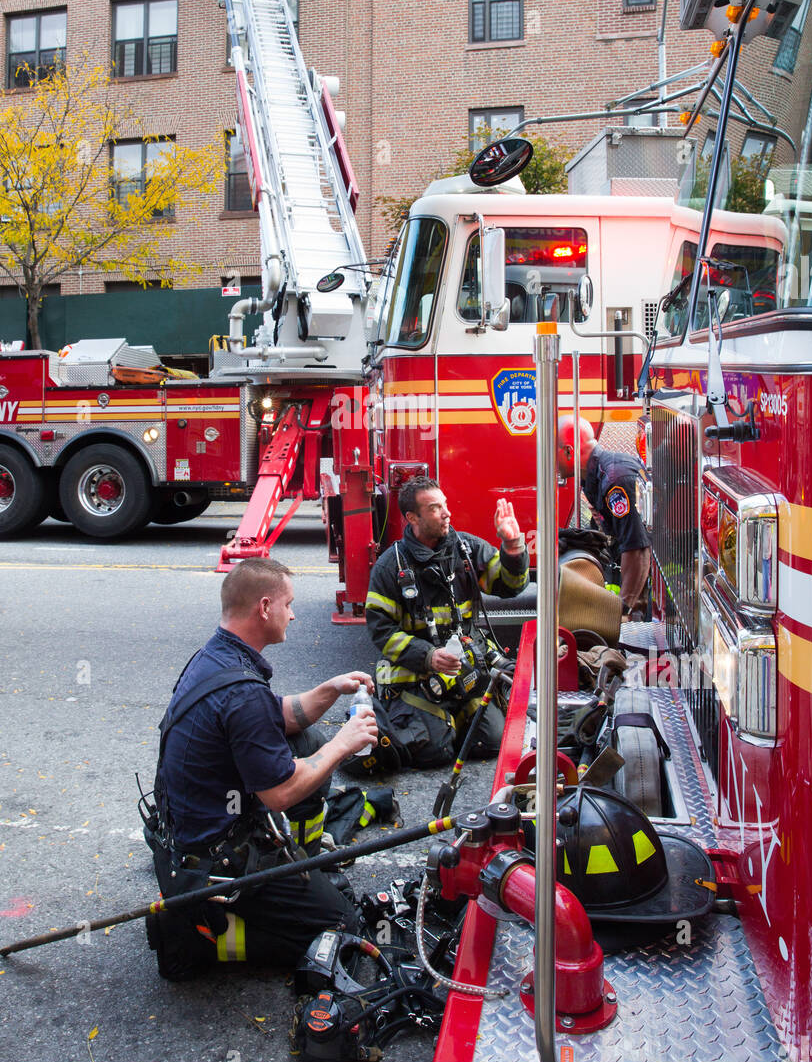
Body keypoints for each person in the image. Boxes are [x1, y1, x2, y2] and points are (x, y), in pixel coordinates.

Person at [144, 557, 378, 980]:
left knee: (307, 742)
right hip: (216, 861)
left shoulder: (215, 657)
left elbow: (281, 715)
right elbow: (281, 792)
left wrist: (330, 688)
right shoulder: (241, 692)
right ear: (265, 607)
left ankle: (300, 862)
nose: (293, 613)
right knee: (343, 929)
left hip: (187, 832)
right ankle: (196, 941)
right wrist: (344, 745)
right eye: (288, 604)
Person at [364, 477, 529, 768]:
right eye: (435, 508)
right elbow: (382, 630)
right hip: (418, 675)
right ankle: (432, 721)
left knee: (490, 743)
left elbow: (510, 586)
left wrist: (513, 546)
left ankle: (451, 718)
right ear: (412, 518)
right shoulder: (391, 566)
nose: (446, 513)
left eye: (446, 505)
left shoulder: (466, 549)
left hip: (466, 671)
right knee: (432, 753)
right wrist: (427, 656)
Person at [556, 416, 651, 619]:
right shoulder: (594, 478)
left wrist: (622, 612)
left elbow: (637, 548)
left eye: (552, 453)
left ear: (568, 451)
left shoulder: (616, 480)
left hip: (659, 579)